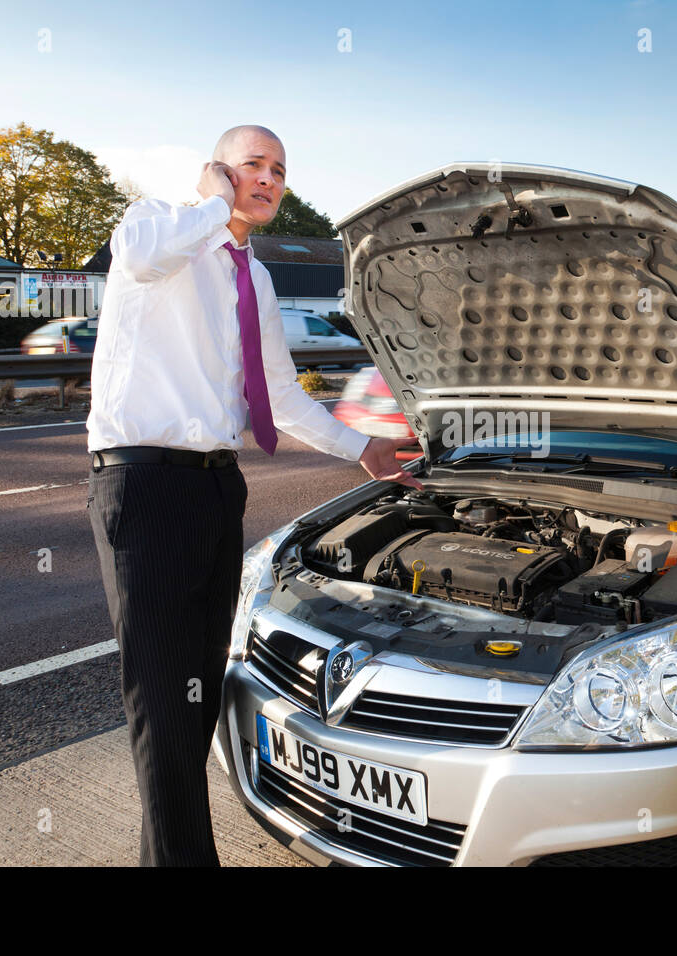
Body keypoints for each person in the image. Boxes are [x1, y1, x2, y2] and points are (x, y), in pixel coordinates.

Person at [85, 124, 420, 866]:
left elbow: (275, 394)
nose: (267, 179)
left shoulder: (254, 276)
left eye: (279, 170)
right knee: (164, 709)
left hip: (214, 488)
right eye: (251, 166)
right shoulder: (156, 226)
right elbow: (138, 256)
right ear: (215, 169)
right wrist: (211, 205)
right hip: (143, 484)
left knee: (194, 702)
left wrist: (360, 447)